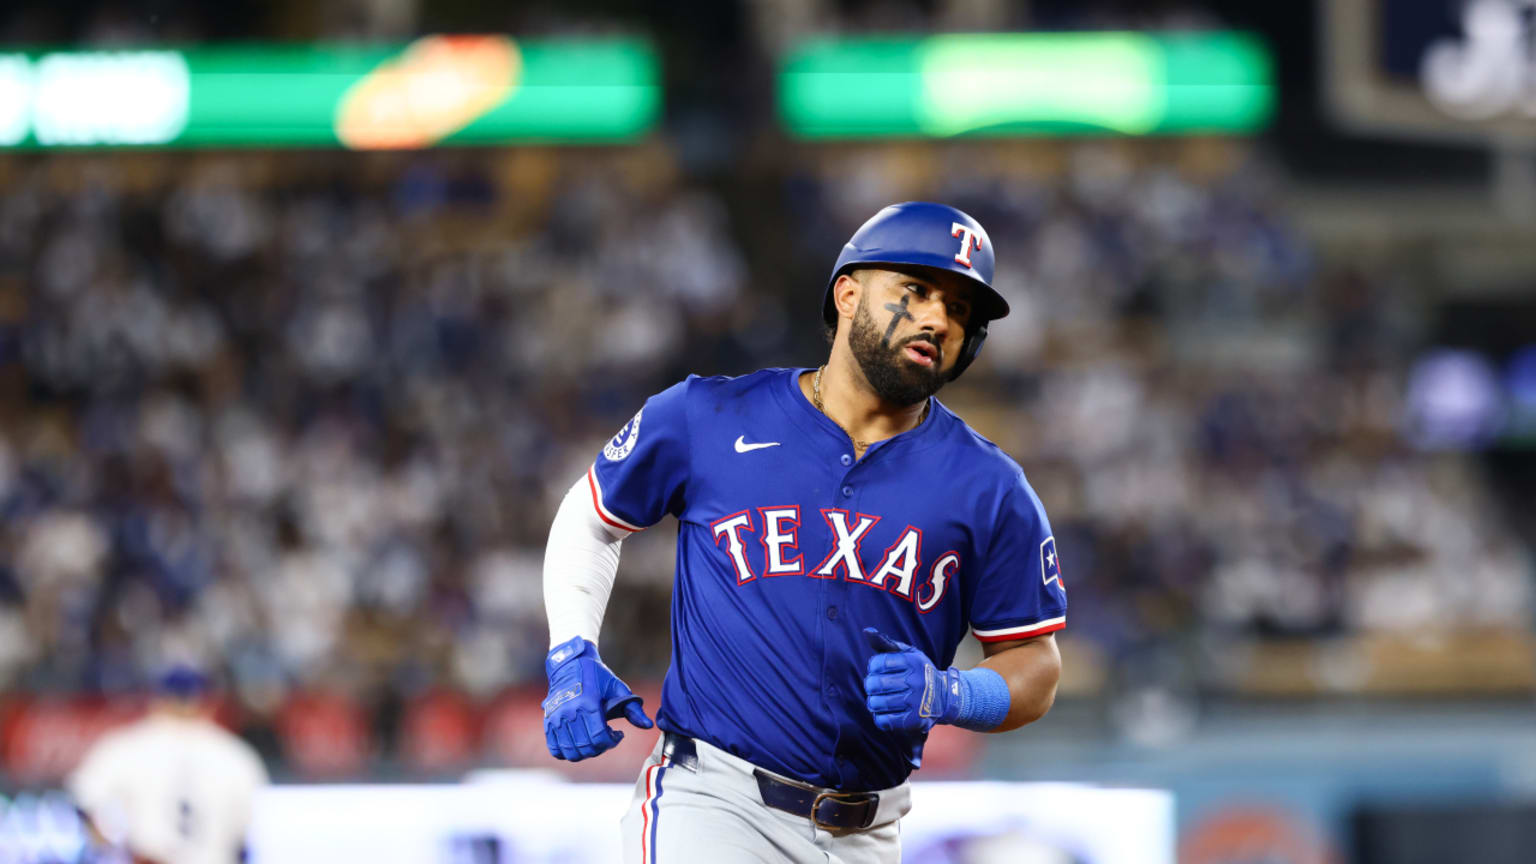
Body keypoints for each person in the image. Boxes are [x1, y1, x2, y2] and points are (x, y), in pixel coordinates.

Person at [540, 201, 1066, 863]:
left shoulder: (991, 486)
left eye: (962, 310)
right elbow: (588, 521)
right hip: (712, 805)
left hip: (870, 833)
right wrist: (571, 652)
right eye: (917, 291)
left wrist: (953, 692)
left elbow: (1036, 666)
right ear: (847, 293)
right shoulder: (706, 415)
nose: (938, 317)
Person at [68, 665, 269, 864]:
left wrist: (110, 847)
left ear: (158, 700)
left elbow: (83, 797)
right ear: (207, 702)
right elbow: (248, 834)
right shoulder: (235, 754)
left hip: (153, 858)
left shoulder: (129, 745)